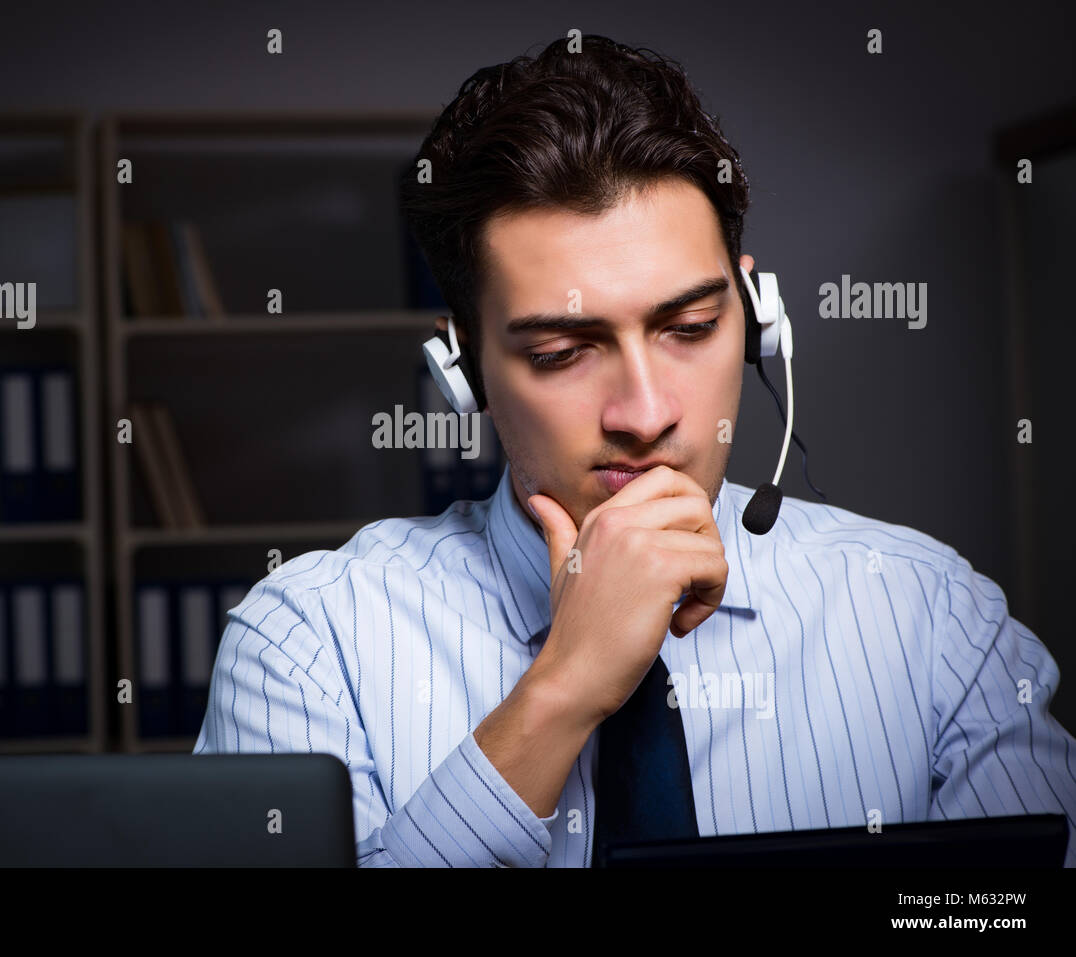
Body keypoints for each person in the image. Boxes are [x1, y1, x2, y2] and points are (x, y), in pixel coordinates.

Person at [193, 34, 1076, 867]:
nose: (646, 413)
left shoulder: (932, 620)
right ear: (461, 371)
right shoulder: (310, 642)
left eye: (690, 327)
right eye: (561, 353)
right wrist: (566, 686)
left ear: (759, 322)